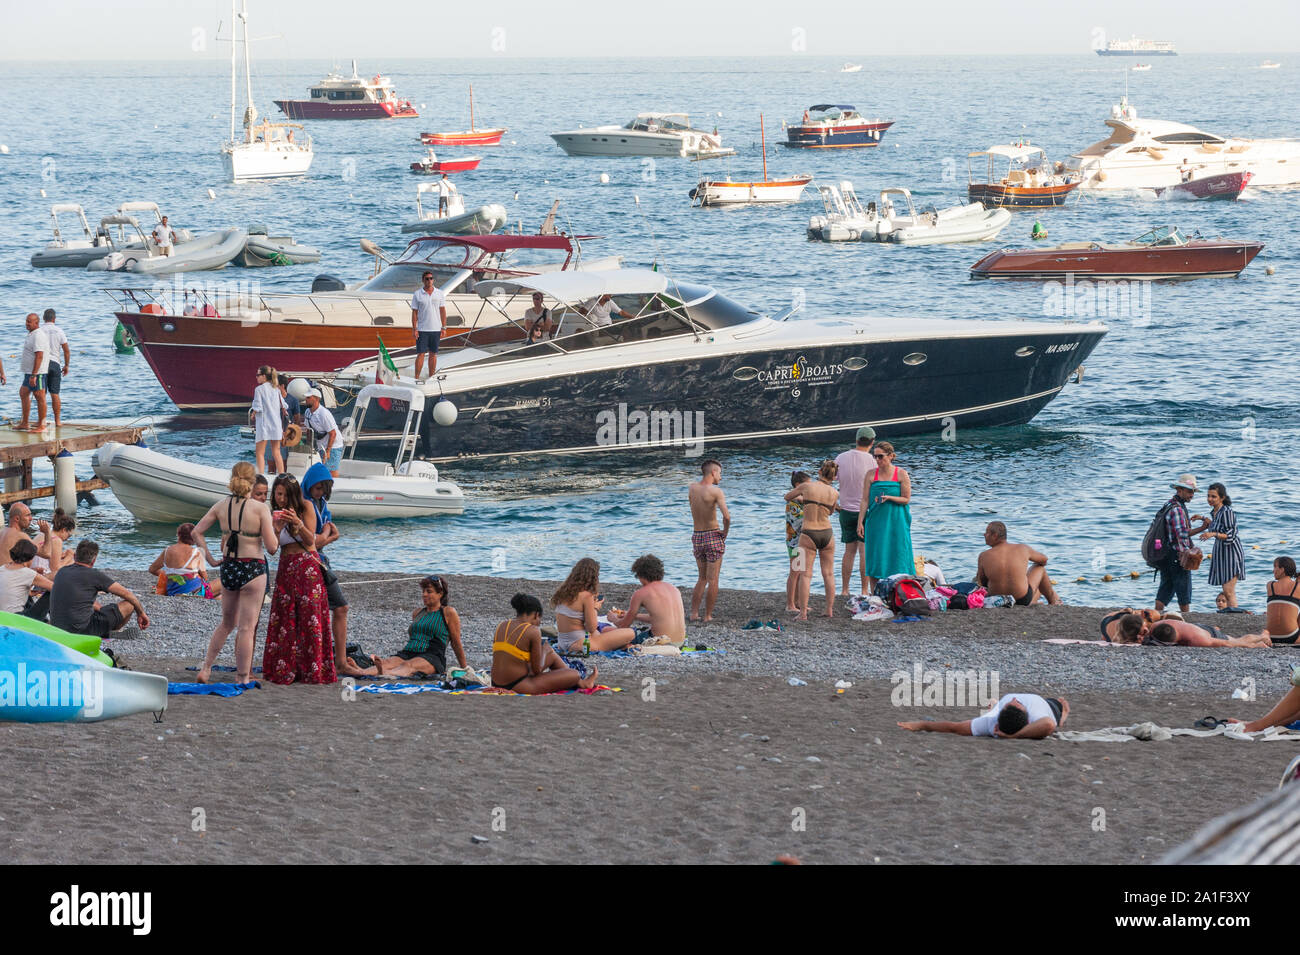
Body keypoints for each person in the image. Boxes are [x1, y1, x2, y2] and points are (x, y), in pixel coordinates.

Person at [192, 462, 279, 683]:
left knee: (227, 623)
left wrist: (210, 559)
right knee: (247, 628)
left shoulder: (221, 505)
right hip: (253, 567)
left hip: (229, 566)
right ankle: (242, 677)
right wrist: (275, 530)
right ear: (251, 483)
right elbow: (271, 548)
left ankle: (206, 668)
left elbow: (196, 532)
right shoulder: (260, 509)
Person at [262, 473, 334, 684]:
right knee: (284, 619)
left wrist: (297, 523)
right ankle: (285, 668)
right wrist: (275, 529)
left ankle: (311, 670)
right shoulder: (272, 513)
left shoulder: (306, 507)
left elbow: (312, 539)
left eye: (284, 494)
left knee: (309, 617)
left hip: (306, 567)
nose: (281, 499)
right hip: (286, 566)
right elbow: (273, 550)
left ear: (293, 494)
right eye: (278, 494)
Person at [302, 462, 361, 676]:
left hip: (321, 560)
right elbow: (312, 542)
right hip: (311, 561)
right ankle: (337, 661)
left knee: (338, 608)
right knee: (334, 608)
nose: (319, 493)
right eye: (317, 488)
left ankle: (338, 659)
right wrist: (330, 535)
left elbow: (320, 540)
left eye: (323, 490)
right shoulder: (304, 504)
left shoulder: (321, 504)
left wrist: (325, 536)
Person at [353, 575, 467, 679]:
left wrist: (465, 668)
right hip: (408, 652)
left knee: (408, 665)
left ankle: (384, 673)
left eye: (429, 591)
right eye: (423, 591)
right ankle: (362, 672)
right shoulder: (417, 613)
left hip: (432, 656)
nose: (424, 594)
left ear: (440, 593)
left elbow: (456, 643)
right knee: (387, 662)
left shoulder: (448, 612)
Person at [489, 593, 597, 692]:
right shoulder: (533, 631)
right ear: (536, 615)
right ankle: (582, 683)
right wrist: (544, 649)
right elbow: (537, 670)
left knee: (549, 651)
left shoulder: (502, 625)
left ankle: (582, 683)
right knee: (574, 674)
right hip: (517, 685)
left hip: (495, 682)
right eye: (539, 619)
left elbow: (511, 658)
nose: (539, 623)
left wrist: (546, 650)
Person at [50, 540, 150, 639]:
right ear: (93, 561)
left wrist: (102, 610)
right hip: (82, 630)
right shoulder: (94, 575)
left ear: (75, 556)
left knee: (90, 606)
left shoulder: (62, 571)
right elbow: (128, 594)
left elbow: (79, 598)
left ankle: (103, 631)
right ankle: (110, 632)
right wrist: (141, 613)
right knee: (130, 604)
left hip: (57, 627)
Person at [785, 460, 840, 620]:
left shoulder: (807, 487)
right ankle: (829, 610)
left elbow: (787, 497)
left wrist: (805, 498)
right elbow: (830, 512)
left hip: (809, 533)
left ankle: (802, 613)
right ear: (834, 477)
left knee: (806, 574)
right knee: (828, 574)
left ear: (819, 472)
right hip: (827, 533)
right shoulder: (834, 492)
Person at [857, 441, 913, 595]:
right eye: (875, 456)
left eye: (880, 456)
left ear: (891, 456)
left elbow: (906, 499)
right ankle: (876, 594)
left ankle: (900, 593)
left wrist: (889, 497)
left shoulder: (901, 474)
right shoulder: (870, 474)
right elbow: (864, 500)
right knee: (875, 556)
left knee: (898, 554)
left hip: (897, 521)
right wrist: (860, 521)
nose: (877, 460)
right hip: (875, 521)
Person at [551, 557, 636, 653]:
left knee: (598, 633)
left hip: (562, 643)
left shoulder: (563, 592)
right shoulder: (586, 595)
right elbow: (591, 628)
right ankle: (620, 645)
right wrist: (595, 608)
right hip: (579, 644)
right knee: (630, 633)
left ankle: (618, 644)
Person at [898, 693, 1068, 739]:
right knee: (1060, 708)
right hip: (1047, 706)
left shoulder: (990, 724)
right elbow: (1048, 725)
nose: (1016, 699)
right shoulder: (1036, 715)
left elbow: (954, 727)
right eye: (1017, 703)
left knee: (1059, 706)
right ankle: (1064, 713)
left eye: (1016, 703)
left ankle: (994, 704)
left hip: (1046, 704)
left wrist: (921, 724)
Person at [606, 554, 688, 646]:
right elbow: (659, 618)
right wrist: (634, 615)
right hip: (680, 643)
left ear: (640, 575)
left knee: (608, 630)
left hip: (660, 642)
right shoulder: (674, 589)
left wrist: (613, 619)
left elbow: (623, 625)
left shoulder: (640, 593)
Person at [975, 521, 1061, 606]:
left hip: (996, 600)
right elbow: (1044, 560)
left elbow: (983, 583)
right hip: (1021, 599)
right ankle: (1053, 601)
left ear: (995, 536)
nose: (984, 535)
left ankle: (1038, 601)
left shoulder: (983, 556)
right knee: (1039, 568)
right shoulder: (1022, 548)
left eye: (986, 532)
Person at [834, 426, 875, 597]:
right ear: (872, 442)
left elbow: (829, 479)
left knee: (848, 551)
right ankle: (864, 590)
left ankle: (845, 590)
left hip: (845, 510)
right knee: (864, 551)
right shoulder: (872, 461)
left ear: (856, 440)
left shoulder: (840, 458)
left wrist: (836, 504)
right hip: (864, 512)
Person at [688, 459, 730, 623]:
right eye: (719, 473)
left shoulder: (692, 488)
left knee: (702, 578)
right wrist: (724, 533)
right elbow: (726, 516)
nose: (720, 476)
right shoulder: (716, 491)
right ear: (713, 472)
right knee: (713, 579)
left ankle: (693, 613)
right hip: (712, 535)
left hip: (697, 535)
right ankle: (707, 616)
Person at [1154, 474, 1197, 615]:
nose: (1192, 495)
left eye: (1193, 492)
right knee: (1183, 590)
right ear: (1180, 490)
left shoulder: (1169, 504)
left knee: (1166, 587)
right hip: (1177, 554)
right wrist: (1203, 527)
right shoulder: (1177, 509)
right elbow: (1182, 534)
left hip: (1166, 553)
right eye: (1189, 491)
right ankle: (1186, 616)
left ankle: (1156, 614)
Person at [1196, 482, 1244, 609]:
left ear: (1222, 498)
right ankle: (1232, 614)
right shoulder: (1215, 512)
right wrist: (1202, 518)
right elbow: (1217, 526)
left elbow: (1231, 534)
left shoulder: (1226, 511)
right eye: (1208, 496)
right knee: (1226, 589)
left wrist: (1213, 534)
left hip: (1231, 552)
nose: (1210, 499)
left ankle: (1235, 617)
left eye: (1213, 496)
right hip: (1222, 553)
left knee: (1228, 591)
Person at [148, 523, 220, 598]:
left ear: (178, 535)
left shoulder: (167, 551)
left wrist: (169, 576)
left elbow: (152, 569)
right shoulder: (197, 552)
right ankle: (193, 594)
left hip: (172, 592)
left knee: (219, 596)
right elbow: (205, 576)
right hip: (196, 591)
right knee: (222, 583)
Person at [1119, 615, 1271, 647]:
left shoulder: (1196, 638)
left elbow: (1227, 644)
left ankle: (1261, 637)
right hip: (1195, 626)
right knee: (1234, 639)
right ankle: (1261, 639)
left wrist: (1252, 645)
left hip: (1207, 633)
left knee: (1236, 641)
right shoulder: (1153, 627)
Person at [410, 270, 448, 380]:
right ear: (423, 280)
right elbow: (414, 313)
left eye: (431, 278)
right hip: (422, 329)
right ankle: (416, 377)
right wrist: (414, 329)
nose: (429, 280)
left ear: (433, 280)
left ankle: (431, 377)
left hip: (436, 329)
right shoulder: (417, 294)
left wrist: (444, 327)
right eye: (427, 278)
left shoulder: (439, 293)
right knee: (421, 354)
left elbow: (442, 311)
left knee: (433, 354)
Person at [0, 540, 53, 617]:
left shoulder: (2, 568)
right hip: (16, 617)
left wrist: (30, 593)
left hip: (2, 615)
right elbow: (55, 587)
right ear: (30, 559)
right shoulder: (29, 574)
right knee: (52, 593)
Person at [250, 365, 286, 475]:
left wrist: (253, 414)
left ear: (264, 376)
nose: (256, 377)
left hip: (264, 425)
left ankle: (260, 476)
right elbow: (283, 405)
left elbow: (258, 406)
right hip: (275, 424)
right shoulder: (276, 389)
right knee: (277, 452)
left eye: (258, 375)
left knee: (260, 453)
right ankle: (281, 475)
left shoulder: (259, 389)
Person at [17, 313, 50, 432]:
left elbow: (39, 355)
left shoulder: (38, 335)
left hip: (37, 372)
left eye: (29, 322)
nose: (27, 323)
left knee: (39, 396)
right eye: (26, 321)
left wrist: (34, 374)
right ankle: (25, 422)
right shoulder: (31, 334)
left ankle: (42, 425)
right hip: (29, 372)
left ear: (36, 323)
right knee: (23, 393)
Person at [784, 469, 810, 614]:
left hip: (802, 540)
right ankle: (790, 604)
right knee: (794, 572)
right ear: (799, 485)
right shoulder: (793, 501)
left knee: (801, 571)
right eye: (807, 486)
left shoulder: (799, 501)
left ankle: (799, 602)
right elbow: (799, 520)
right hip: (795, 541)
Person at [302, 388, 343, 476]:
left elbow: (333, 433)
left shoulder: (323, 414)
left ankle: (335, 486)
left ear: (316, 399)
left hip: (333, 446)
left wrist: (328, 451)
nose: (306, 399)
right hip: (321, 445)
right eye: (306, 397)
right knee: (322, 470)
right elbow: (309, 430)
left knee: (331, 471)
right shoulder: (307, 412)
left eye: (308, 397)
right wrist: (309, 446)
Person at [41, 309, 69, 429]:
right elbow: (66, 350)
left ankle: (43, 421)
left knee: (42, 394)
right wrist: (66, 365)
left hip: (42, 364)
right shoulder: (59, 331)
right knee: (55, 394)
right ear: (54, 319)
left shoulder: (39, 331)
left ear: (43, 318)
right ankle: (57, 421)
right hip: (55, 364)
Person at [1266, 556, 1300, 644]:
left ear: (1282, 570)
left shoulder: (1270, 585)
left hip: (1271, 636)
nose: (1273, 571)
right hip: (1291, 636)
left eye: (1275, 567)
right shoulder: (1297, 587)